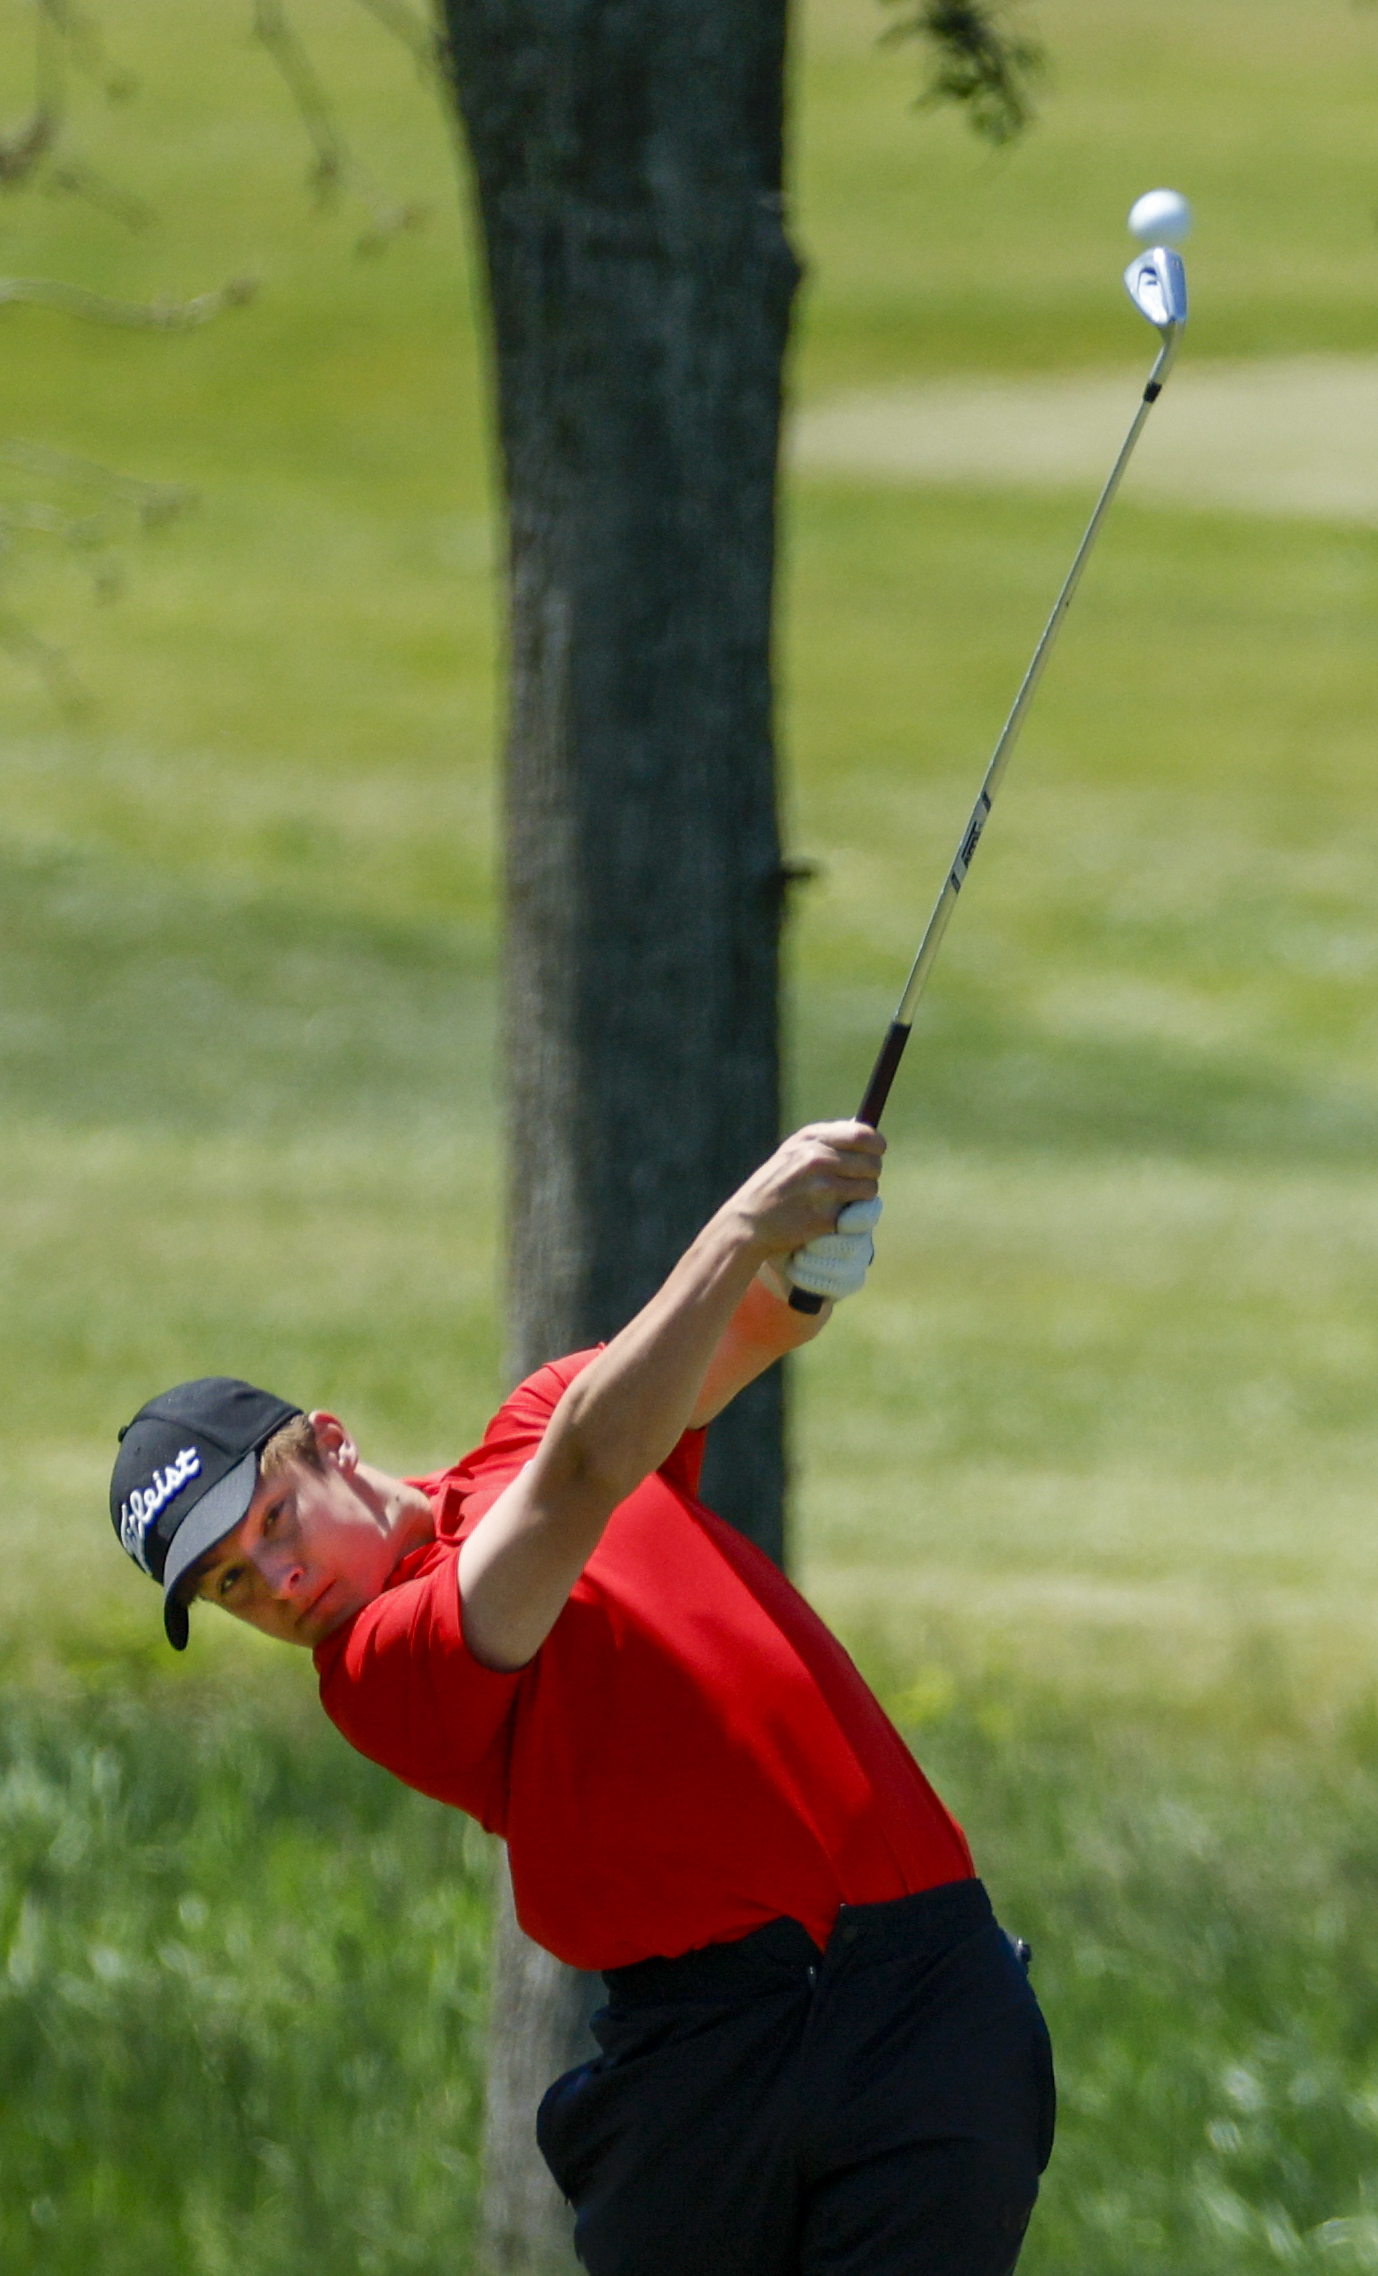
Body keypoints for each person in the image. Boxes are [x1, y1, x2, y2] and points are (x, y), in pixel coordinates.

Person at [109, 1121, 1054, 2276]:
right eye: (233, 1585)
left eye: (270, 1523)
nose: (281, 1582)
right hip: (709, 2069)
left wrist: (801, 1261)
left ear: (332, 1446)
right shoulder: (375, 1673)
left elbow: (735, 1332)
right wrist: (746, 1220)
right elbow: (585, 1470)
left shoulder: (534, 1418)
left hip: (927, 1995)